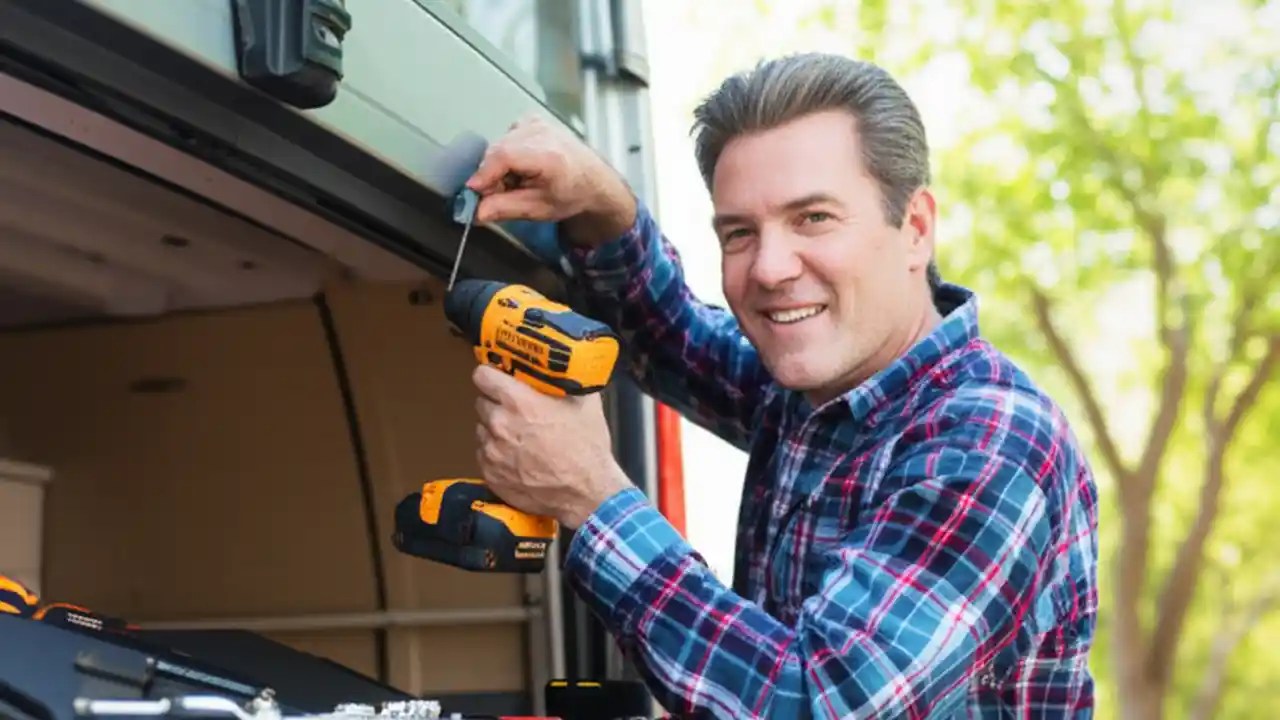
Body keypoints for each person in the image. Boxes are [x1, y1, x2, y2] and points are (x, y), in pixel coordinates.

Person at [464, 52, 1099, 718]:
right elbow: (668, 334)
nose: (768, 269)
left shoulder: (990, 441)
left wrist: (591, 497)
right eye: (739, 232)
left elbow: (815, 701)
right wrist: (603, 202)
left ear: (913, 229)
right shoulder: (815, 391)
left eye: (813, 219)